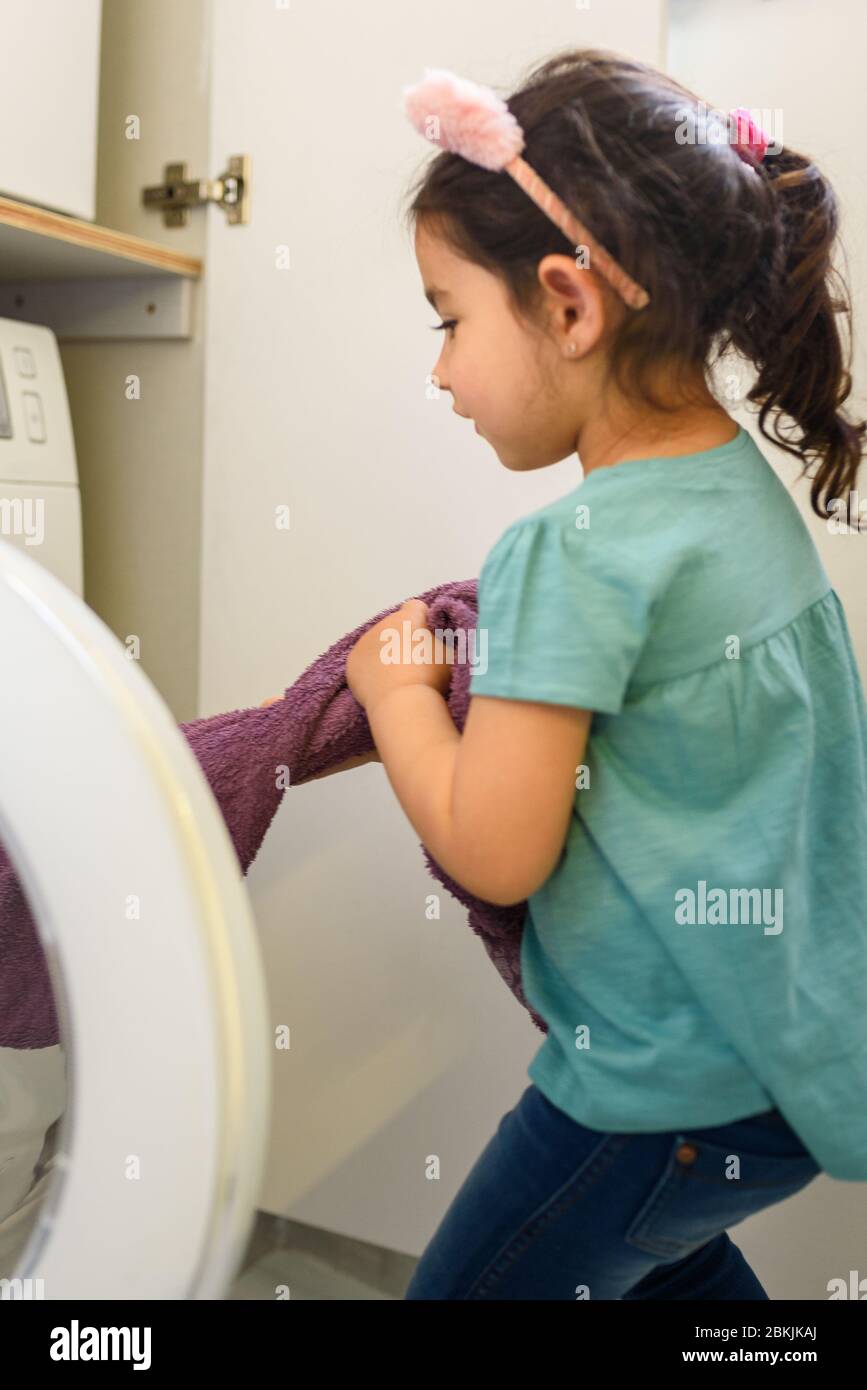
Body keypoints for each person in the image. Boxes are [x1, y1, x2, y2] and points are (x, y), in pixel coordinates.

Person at [281, 48, 867, 1299]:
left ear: (567, 303)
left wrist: (395, 694)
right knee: (663, 1270)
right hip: (769, 1078)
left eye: (449, 318)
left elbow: (499, 850)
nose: (440, 370)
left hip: (651, 1097)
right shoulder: (737, 505)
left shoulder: (571, 549)